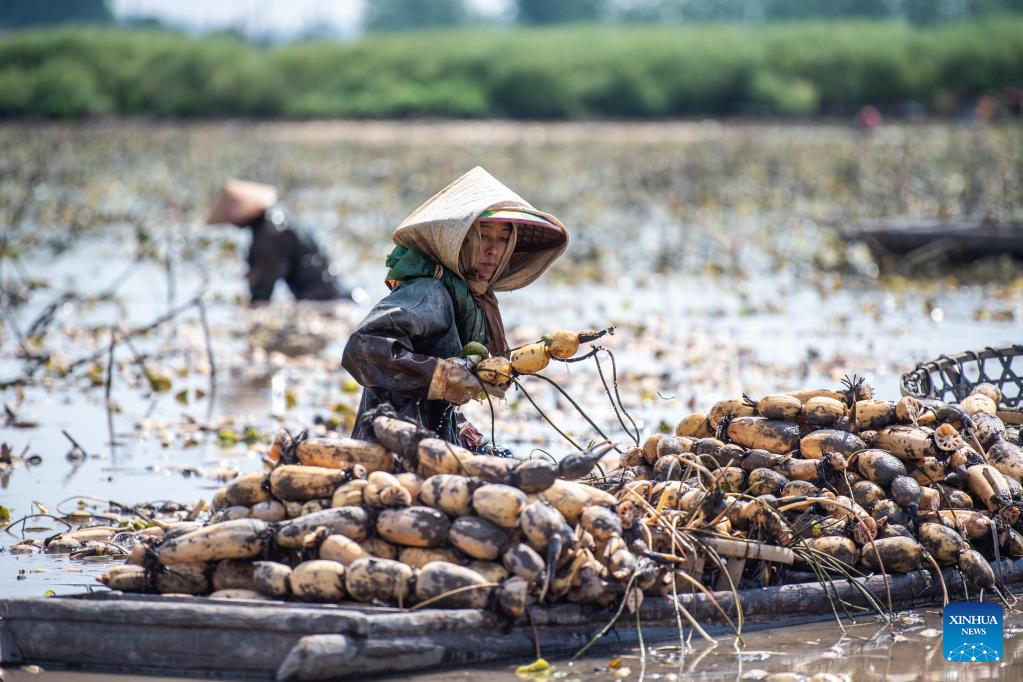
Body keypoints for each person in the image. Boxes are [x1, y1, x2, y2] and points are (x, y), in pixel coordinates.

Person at [342, 166, 568, 451]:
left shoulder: (470, 300)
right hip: (391, 450)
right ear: (461, 241)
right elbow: (362, 348)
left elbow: (436, 404)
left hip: (431, 446)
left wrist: (473, 440)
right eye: (484, 235)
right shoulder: (429, 291)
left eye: (502, 239)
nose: (493, 250)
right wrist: (442, 377)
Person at [206, 178, 352, 303]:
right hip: (330, 293)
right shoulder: (276, 220)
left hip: (324, 299)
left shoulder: (271, 234)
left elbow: (263, 288)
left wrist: (253, 305)